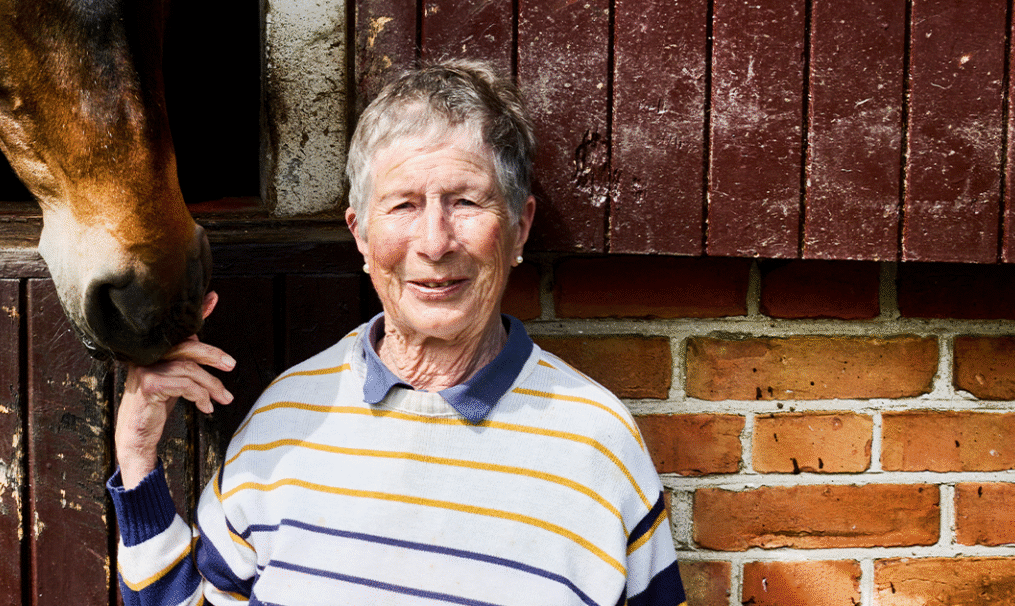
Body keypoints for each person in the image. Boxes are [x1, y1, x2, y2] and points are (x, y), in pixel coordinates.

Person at [109, 60, 685, 606]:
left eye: (465, 201)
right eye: (404, 205)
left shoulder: (597, 444)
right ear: (360, 236)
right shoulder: (283, 421)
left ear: (519, 228)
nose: (434, 243)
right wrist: (136, 454)